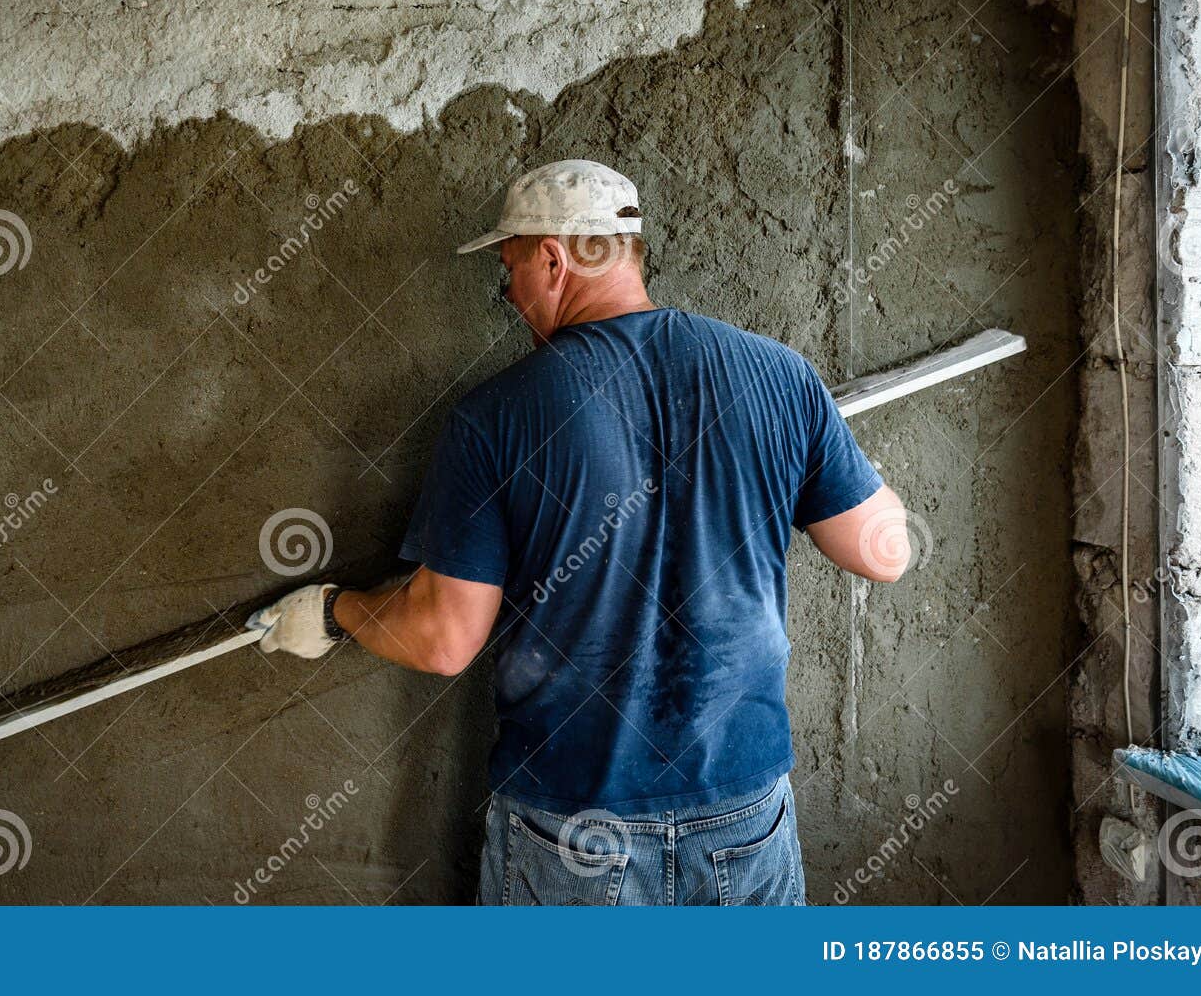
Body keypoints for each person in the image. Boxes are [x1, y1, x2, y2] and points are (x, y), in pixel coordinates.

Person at [250, 159, 909, 905]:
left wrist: (335, 611)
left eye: (510, 271)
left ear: (553, 259)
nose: (509, 297)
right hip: (742, 817)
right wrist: (809, 450)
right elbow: (883, 553)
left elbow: (443, 638)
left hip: (573, 830)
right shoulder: (781, 377)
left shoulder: (494, 419)